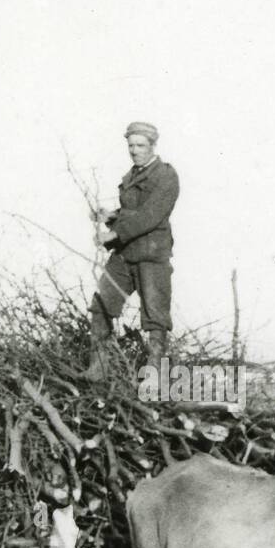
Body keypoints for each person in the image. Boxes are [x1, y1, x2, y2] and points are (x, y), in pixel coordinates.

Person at [87, 121, 179, 379]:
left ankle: (154, 377)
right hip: (125, 254)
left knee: (155, 318)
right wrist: (108, 217)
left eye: (140, 145)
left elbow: (151, 215)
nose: (135, 150)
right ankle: (98, 370)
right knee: (101, 306)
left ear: (153, 146)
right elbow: (130, 213)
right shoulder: (131, 176)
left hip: (152, 256)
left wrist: (114, 233)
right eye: (131, 145)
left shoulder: (166, 175)